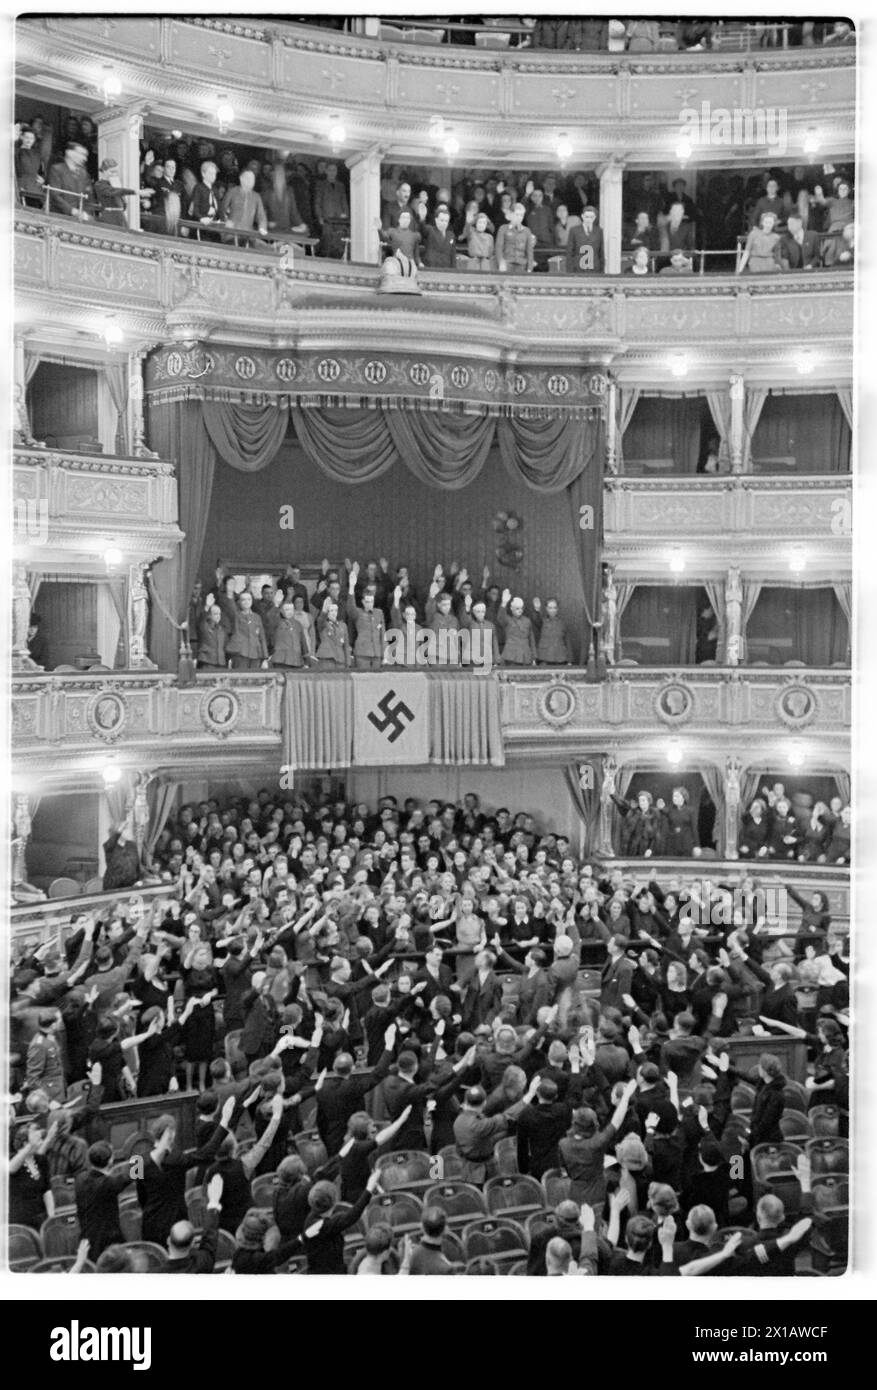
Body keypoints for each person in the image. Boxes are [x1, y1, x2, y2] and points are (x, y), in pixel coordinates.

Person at [47, 142, 94, 220]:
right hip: (58, 216)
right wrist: (72, 211)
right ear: (69, 153)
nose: (84, 159)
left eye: (85, 156)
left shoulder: (84, 174)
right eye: (81, 154)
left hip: (79, 219)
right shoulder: (57, 169)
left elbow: (88, 197)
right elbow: (54, 195)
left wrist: (85, 213)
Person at [222, 168, 268, 243]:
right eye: (248, 178)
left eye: (253, 179)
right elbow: (222, 209)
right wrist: (226, 221)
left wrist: (262, 227)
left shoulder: (256, 196)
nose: (251, 181)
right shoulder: (232, 192)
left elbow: (261, 216)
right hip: (231, 234)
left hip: (248, 235)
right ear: (241, 179)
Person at [566, 206, 604, 273]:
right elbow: (570, 252)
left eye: (591, 217)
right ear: (582, 216)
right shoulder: (574, 231)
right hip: (577, 269)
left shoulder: (599, 231)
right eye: (587, 217)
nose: (589, 219)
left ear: (595, 217)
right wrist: (570, 271)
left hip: (594, 269)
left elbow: (601, 253)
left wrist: (601, 271)